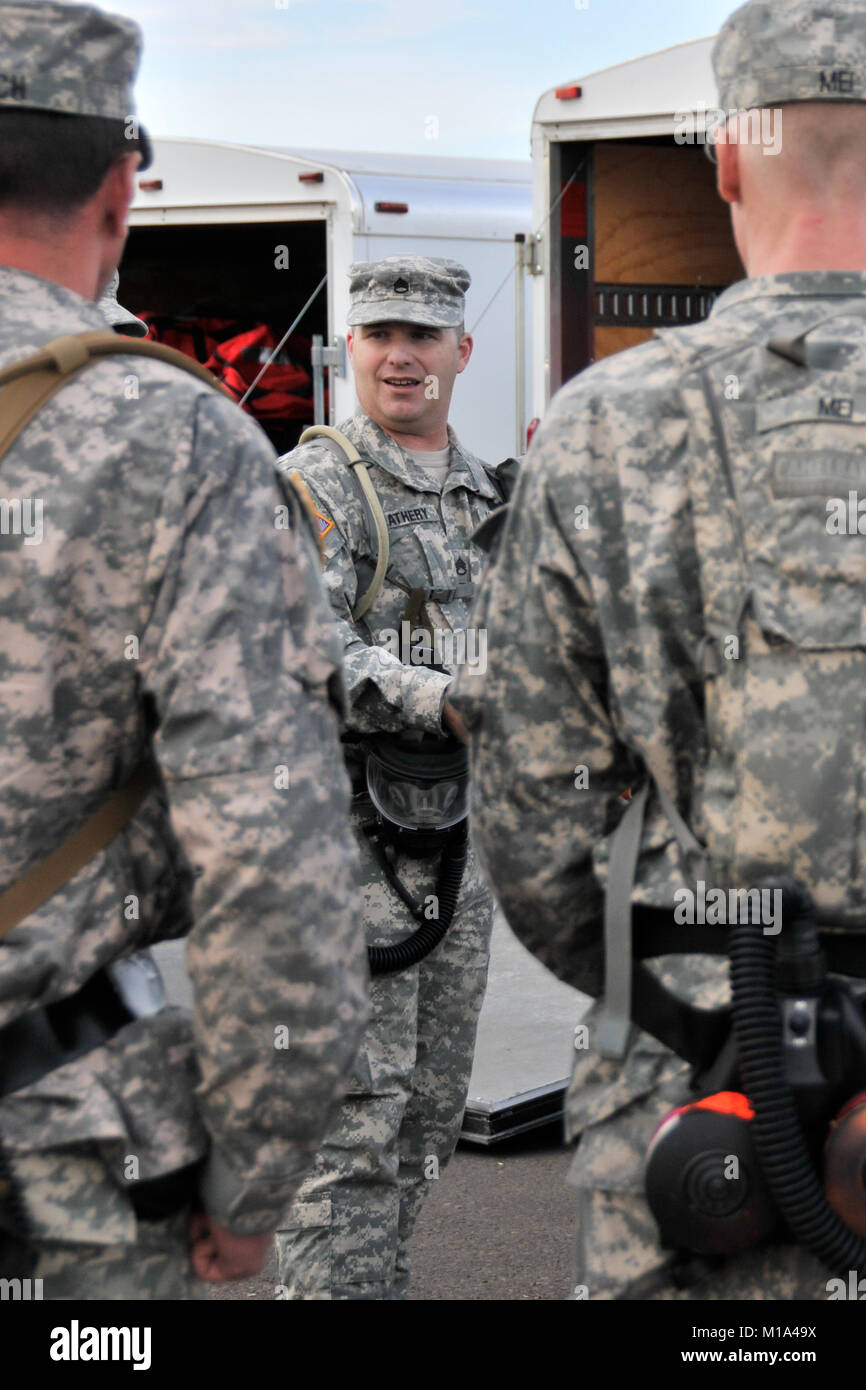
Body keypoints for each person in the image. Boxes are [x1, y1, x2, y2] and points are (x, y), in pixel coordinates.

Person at [452, 0, 866, 1301]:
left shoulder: (603, 426)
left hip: (699, 1120)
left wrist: (682, 976)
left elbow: (534, 825)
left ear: (727, 160)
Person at [0, 0, 368, 1300]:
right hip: (63, 1159)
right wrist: (253, 1178)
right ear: (117, 190)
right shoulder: (178, 439)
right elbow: (274, 860)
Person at [274, 256, 496, 1300]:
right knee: (351, 1124)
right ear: (346, 349)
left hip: (458, 845)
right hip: (345, 846)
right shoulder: (314, 485)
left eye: (422, 334)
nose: (400, 354)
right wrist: (436, 698)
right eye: (378, 335)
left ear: (463, 348)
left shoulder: (484, 494)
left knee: (427, 1117)